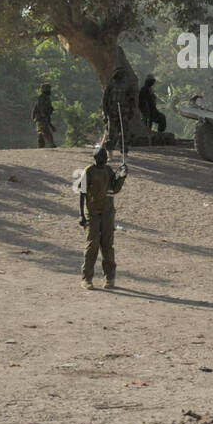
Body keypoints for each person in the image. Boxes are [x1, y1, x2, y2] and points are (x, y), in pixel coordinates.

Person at [78, 146, 126, 290]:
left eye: (104, 158)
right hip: (92, 213)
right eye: (101, 157)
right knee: (91, 246)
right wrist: (81, 214)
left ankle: (109, 278)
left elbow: (115, 189)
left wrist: (122, 176)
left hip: (107, 213)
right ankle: (86, 279)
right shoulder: (89, 171)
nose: (104, 160)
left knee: (107, 246)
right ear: (95, 158)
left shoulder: (108, 170)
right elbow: (82, 193)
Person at [101, 67, 136, 151]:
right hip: (112, 112)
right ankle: (110, 153)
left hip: (124, 112)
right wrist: (105, 113)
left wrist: (131, 111)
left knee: (124, 133)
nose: (121, 76)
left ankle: (124, 151)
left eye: (122, 74)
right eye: (120, 74)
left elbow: (131, 100)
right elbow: (105, 101)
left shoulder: (127, 86)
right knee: (111, 133)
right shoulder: (110, 86)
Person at [31, 82, 56, 148]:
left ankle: (41, 147)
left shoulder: (45, 98)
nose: (50, 90)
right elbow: (41, 108)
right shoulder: (42, 98)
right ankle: (51, 145)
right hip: (41, 118)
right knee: (46, 133)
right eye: (49, 89)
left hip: (41, 118)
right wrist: (45, 118)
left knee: (41, 133)